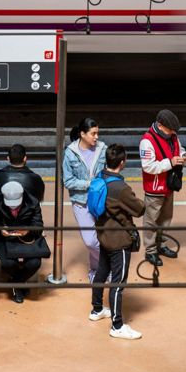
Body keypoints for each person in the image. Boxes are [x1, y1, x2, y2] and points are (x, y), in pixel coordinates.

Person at [88, 144, 145, 340]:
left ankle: (96, 310)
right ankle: (117, 326)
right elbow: (140, 209)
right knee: (118, 282)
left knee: (101, 272)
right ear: (123, 162)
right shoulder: (121, 188)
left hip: (103, 235)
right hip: (119, 240)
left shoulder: (100, 178)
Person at [140, 110, 186, 266]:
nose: (173, 132)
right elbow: (148, 166)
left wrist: (185, 156)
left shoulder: (173, 136)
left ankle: (161, 245)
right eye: (170, 129)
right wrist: (171, 162)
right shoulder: (147, 141)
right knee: (151, 221)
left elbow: (179, 150)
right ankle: (150, 251)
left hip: (168, 186)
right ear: (160, 126)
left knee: (166, 219)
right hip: (154, 189)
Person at [62, 117, 107, 280]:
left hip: (101, 199)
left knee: (102, 236)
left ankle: (96, 271)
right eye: (93, 133)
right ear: (82, 134)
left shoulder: (103, 149)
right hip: (81, 202)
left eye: (97, 133)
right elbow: (68, 181)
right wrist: (90, 184)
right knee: (90, 241)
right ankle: (107, 264)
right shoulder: (70, 153)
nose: (96, 137)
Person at [0, 182, 45, 303]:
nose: (13, 207)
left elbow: (38, 226)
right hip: (4, 239)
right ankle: (20, 285)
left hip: (26, 239)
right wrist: (0, 230)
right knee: (8, 264)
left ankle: (16, 284)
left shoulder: (33, 202)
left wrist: (28, 231)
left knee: (34, 263)